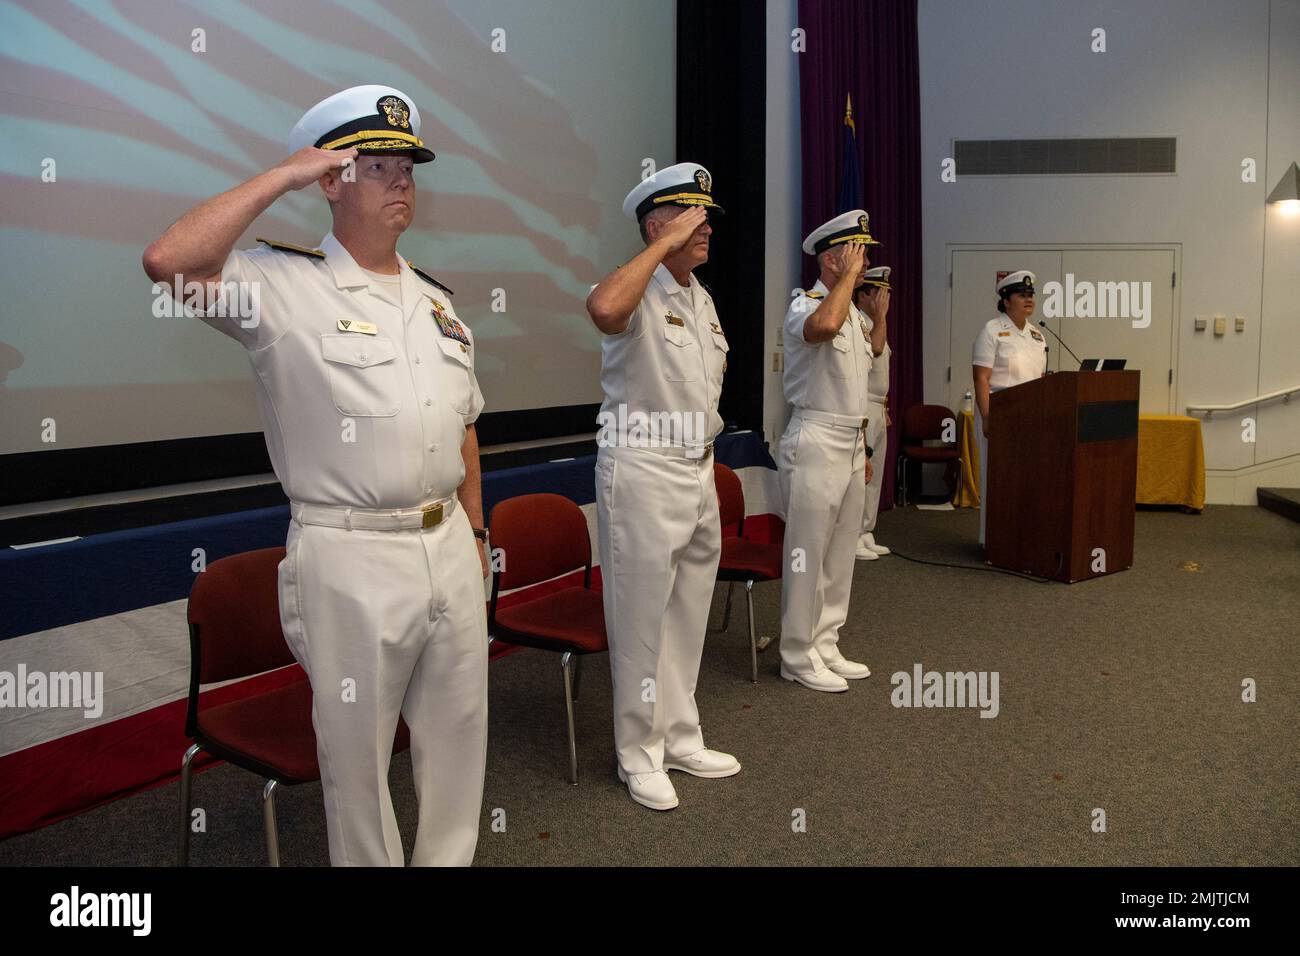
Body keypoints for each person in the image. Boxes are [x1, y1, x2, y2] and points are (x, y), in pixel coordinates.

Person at [143, 85, 489, 866]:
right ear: (329, 181)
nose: (403, 180)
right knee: (359, 765)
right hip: (351, 557)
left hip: (449, 549)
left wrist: (476, 529)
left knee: (460, 742)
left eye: (409, 166)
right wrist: (281, 177)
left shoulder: (439, 302)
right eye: (378, 166)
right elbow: (167, 260)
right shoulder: (279, 286)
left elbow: (464, 425)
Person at [586, 162, 741, 811]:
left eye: (706, 217)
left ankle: (679, 733)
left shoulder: (699, 298)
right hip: (645, 468)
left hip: (697, 467)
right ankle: (638, 753)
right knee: (643, 621)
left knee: (686, 614)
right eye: (690, 217)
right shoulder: (635, 287)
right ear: (657, 224)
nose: (705, 227)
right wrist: (656, 249)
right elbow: (602, 309)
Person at [778, 210, 880, 693]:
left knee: (840, 552)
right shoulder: (806, 305)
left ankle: (826, 642)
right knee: (808, 553)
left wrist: (864, 449)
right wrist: (846, 281)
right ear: (832, 257)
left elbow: (858, 386)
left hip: (850, 441)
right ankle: (796, 653)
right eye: (857, 253)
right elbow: (823, 327)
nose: (865, 261)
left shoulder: (858, 318)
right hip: (815, 437)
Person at [971, 270, 1048, 546]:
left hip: (1028, 416)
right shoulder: (992, 331)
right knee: (996, 480)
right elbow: (981, 377)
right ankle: (991, 539)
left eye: (1031, 296)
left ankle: (1019, 536)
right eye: (1021, 295)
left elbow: (1039, 380)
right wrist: (988, 416)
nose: (1028, 300)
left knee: (1024, 479)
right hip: (999, 413)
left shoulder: (1038, 335)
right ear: (1006, 301)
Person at [854, 266, 892, 561]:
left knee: (874, 473)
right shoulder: (861, 324)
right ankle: (853, 535)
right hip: (862, 405)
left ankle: (867, 530)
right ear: (864, 295)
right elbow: (874, 354)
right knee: (860, 473)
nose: (885, 299)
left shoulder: (875, 322)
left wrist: (884, 407)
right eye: (880, 292)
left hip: (877, 405)